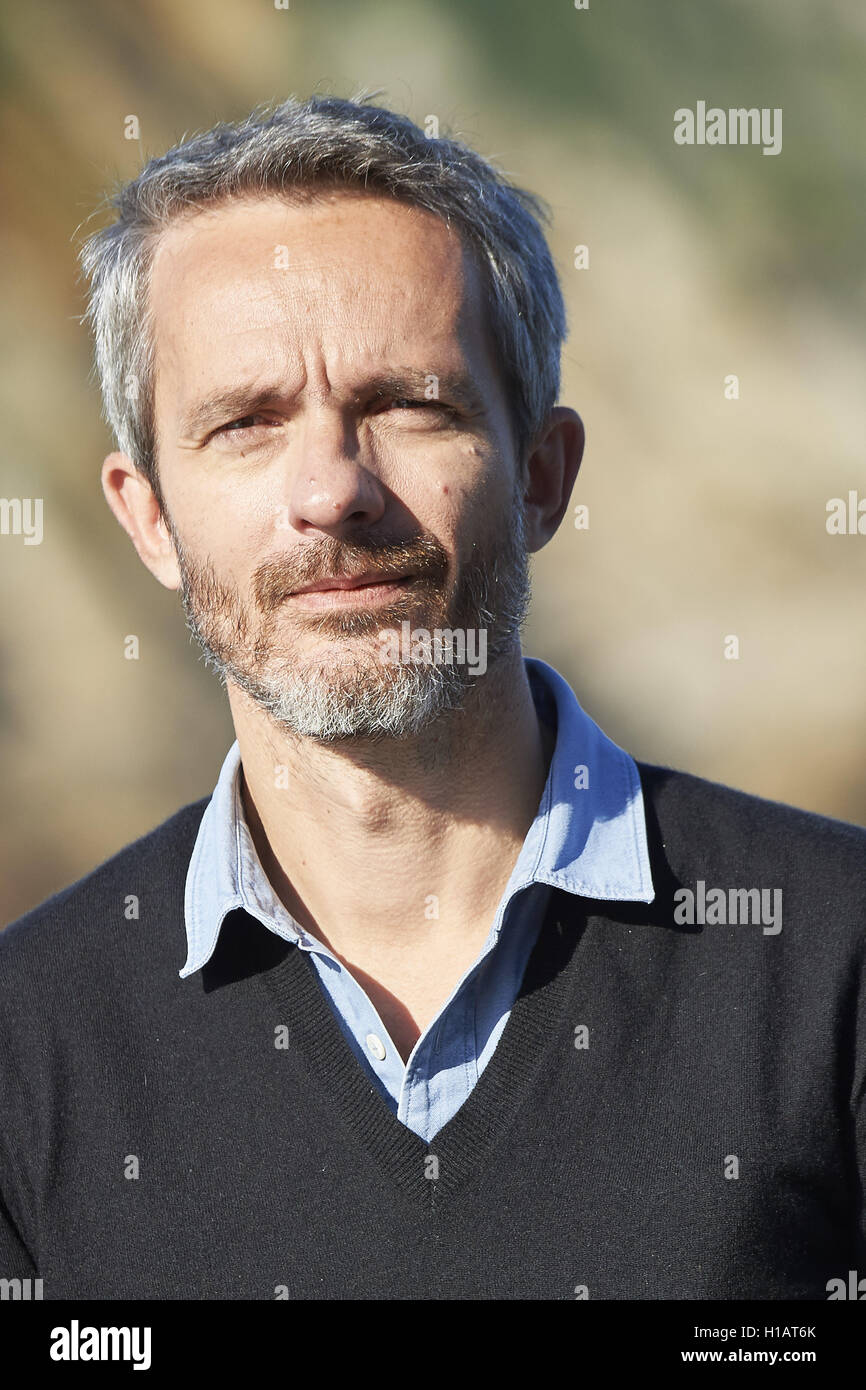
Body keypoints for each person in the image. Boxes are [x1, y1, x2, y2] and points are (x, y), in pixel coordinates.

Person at [1, 93, 864, 1302]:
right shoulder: (26, 1049)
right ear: (147, 517)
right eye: (245, 423)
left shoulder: (835, 960)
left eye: (407, 404)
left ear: (542, 477)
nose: (332, 491)